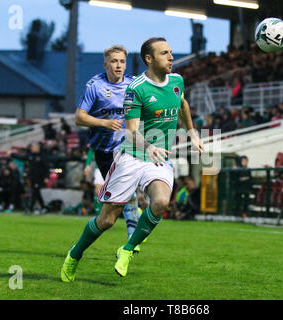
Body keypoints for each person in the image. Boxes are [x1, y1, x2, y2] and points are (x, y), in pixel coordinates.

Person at [61, 37, 203, 281]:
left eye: (170, 52)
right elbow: (131, 132)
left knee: (159, 203)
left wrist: (192, 132)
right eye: (164, 53)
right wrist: (149, 146)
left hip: (157, 159)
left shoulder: (177, 80)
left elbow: (182, 103)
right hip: (131, 156)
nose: (171, 57)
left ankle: (126, 249)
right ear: (149, 59)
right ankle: (75, 254)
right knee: (107, 220)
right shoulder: (136, 88)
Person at [67, 44, 142, 257]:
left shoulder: (133, 85)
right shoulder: (95, 86)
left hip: (126, 146)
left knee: (129, 188)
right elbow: (79, 117)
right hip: (103, 149)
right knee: (116, 200)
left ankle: (131, 236)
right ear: (106, 64)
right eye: (114, 61)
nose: (119, 65)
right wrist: (104, 123)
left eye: (122, 61)